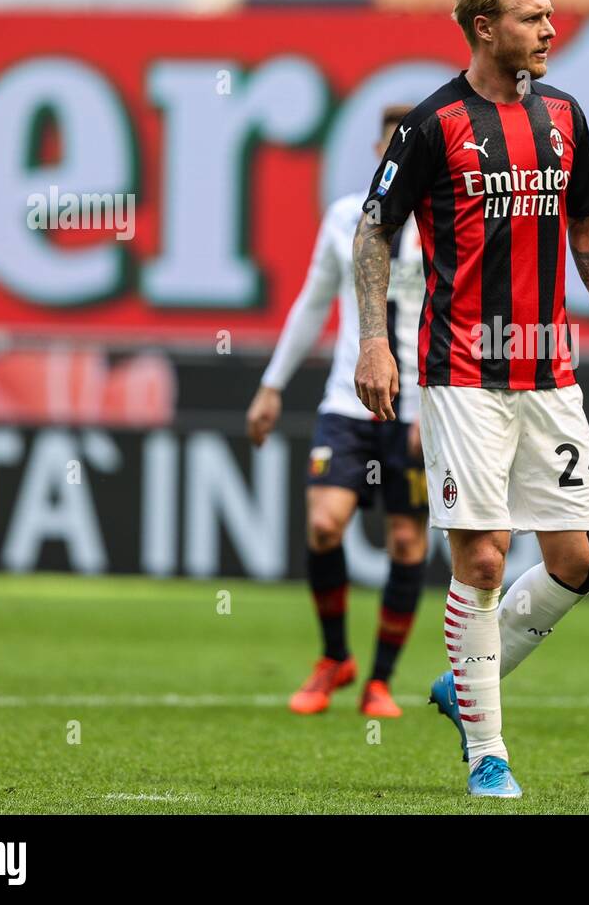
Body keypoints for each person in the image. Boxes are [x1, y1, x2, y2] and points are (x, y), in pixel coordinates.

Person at [351, 0, 589, 796]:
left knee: (582, 558)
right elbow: (376, 232)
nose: (551, 30)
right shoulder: (431, 124)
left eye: (551, 15)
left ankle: (462, 685)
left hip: (550, 369)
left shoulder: (565, 115)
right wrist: (377, 340)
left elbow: (587, 224)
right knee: (483, 558)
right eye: (531, 18)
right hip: (462, 371)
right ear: (484, 29)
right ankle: (489, 752)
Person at [246, 105, 428, 719]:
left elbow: (462, 320)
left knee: (407, 539)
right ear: (379, 150)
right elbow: (311, 302)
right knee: (325, 523)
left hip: (419, 409)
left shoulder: (448, 226)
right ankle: (334, 658)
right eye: (390, 146)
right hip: (348, 403)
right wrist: (272, 385)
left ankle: (379, 680)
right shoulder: (347, 217)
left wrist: (441, 402)